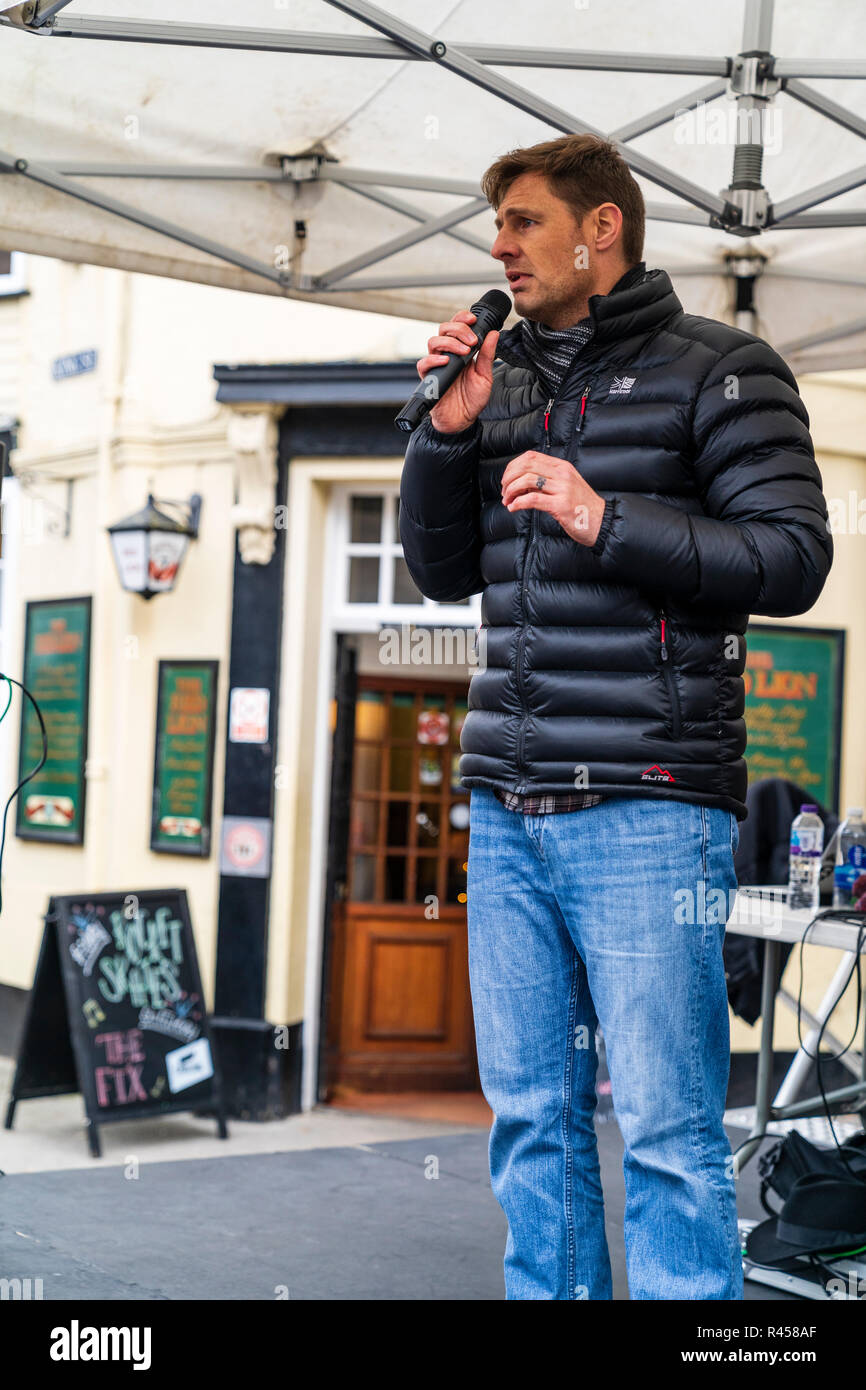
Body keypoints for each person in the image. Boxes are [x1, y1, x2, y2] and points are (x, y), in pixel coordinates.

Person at [398, 133, 833, 1301]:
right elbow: (439, 573)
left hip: (646, 809)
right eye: (494, 228)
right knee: (528, 1123)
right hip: (506, 804)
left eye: (524, 223)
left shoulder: (721, 370)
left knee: (664, 1130)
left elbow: (790, 560)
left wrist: (607, 520)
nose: (499, 247)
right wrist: (444, 436)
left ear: (601, 231)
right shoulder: (498, 379)